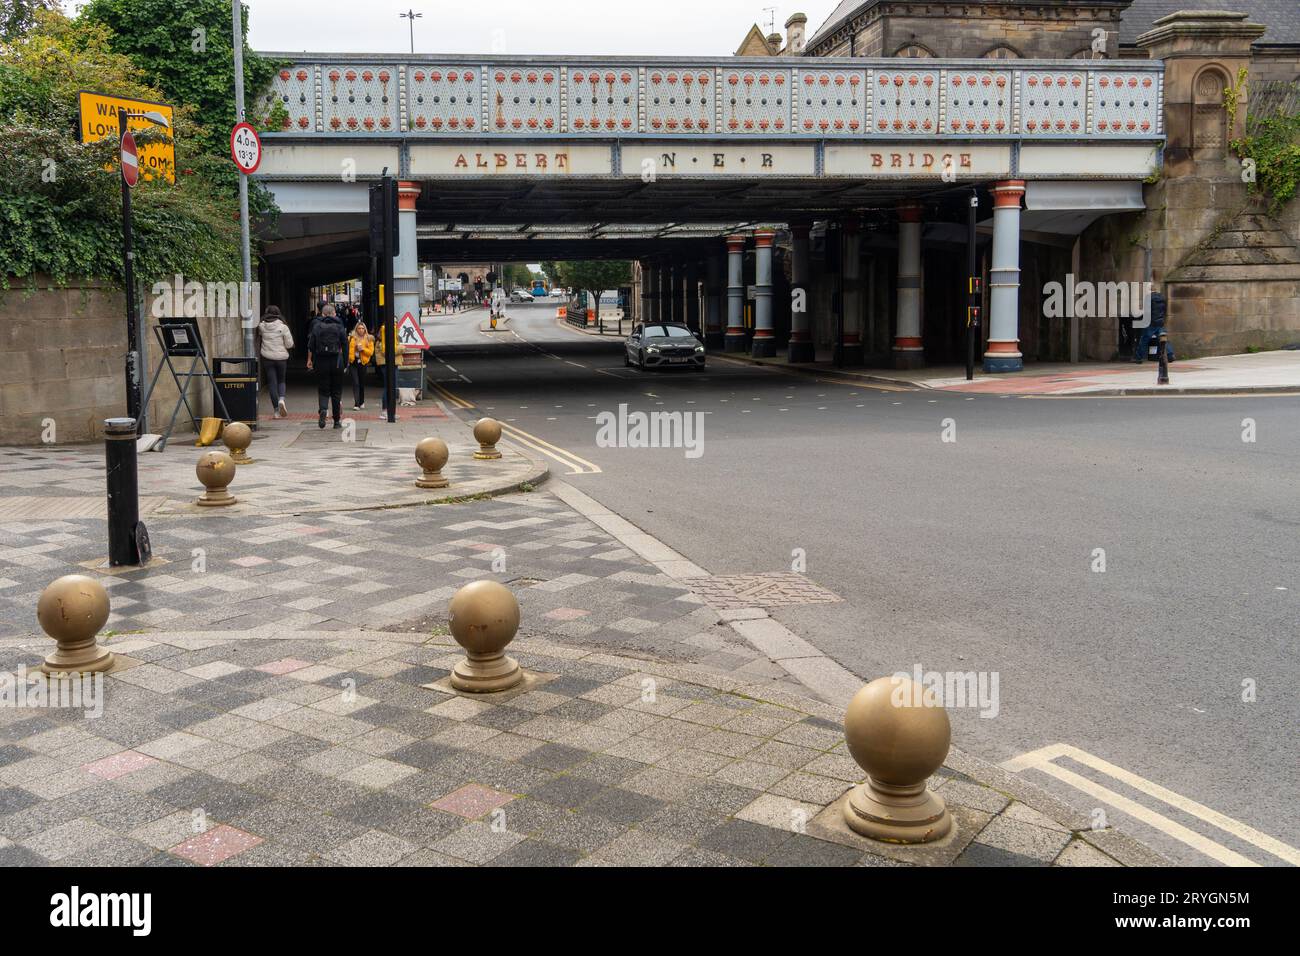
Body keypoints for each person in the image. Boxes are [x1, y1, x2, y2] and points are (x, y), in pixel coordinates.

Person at [306, 303, 346, 428]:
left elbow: (311, 345)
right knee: (336, 392)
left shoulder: (317, 327)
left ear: (322, 314)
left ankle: (323, 409)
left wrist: (312, 359)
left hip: (321, 362)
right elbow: (345, 345)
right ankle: (336, 421)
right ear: (334, 313)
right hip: (336, 362)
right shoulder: (339, 326)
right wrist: (346, 363)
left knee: (323, 390)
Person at [256, 305, 294, 418]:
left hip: (267, 358)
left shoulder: (261, 326)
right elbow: (289, 344)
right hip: (281, 358)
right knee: (281, 380)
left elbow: (260, 336)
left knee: (272, 383)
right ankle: (281, 399)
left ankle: (276, 410)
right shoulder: (283, 327)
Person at [347, 320, 375, 410]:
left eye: (363, 328)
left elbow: (371, 352)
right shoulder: (351, 338)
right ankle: (356, 404)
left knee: (361, 383)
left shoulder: (369, 338)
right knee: (355, 383)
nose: (361, 330)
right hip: (353, 362)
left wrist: (362, 349)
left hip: (363, 363)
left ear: (365, 329)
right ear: (356, 329)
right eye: (359, 328)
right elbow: (346, 348)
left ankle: (362, 401)